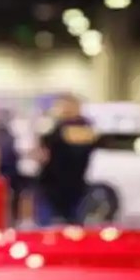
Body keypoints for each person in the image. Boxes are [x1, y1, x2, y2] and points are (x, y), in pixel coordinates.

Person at [36, 94, 97, 225]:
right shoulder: (55, 125)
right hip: (51, 184)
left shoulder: (82, 127)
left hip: (73, 185)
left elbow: (78, 151)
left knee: (71, 226)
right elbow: (44, 150)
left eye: (65, 105)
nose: (62, 109)